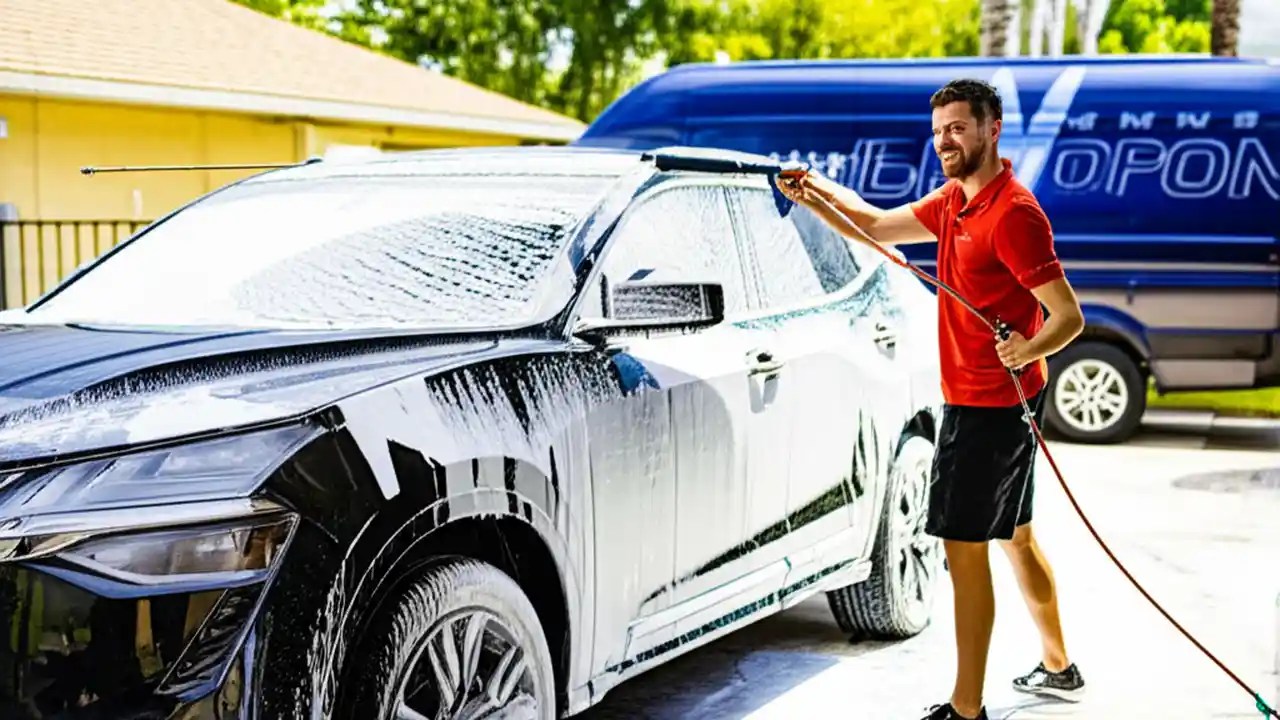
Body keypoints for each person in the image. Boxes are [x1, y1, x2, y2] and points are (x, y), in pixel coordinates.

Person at [775, 78, 1087, 720]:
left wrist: (1026, 350)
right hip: (995, 404)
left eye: (959, 128)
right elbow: (873, 226)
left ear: (991, 129)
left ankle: (966, 710)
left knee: (963, 550)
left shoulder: (1014, 214)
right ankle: (1059, 667)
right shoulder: (955, 202)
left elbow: (1068, 317)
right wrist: (815, 193)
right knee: (1018, 538)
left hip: (990, 410)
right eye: (939, 128)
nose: (946, 139)